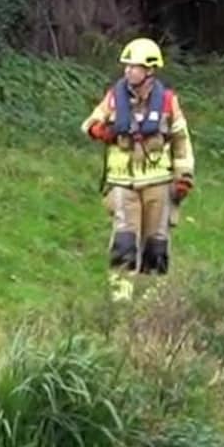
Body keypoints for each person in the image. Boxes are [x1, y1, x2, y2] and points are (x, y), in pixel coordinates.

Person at [82, 38, 195, 293]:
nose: (128, 71)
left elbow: (181, 140)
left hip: (159, 182)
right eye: (127, 66)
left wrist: (184, 176)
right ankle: (120, 298)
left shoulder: (167, 101)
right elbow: (89, 124)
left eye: (134, 66)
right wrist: (103, 130)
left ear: (149, 70)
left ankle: (152, 300)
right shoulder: (114, 98)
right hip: (122, 182)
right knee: (124, 239)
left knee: (156, 242)